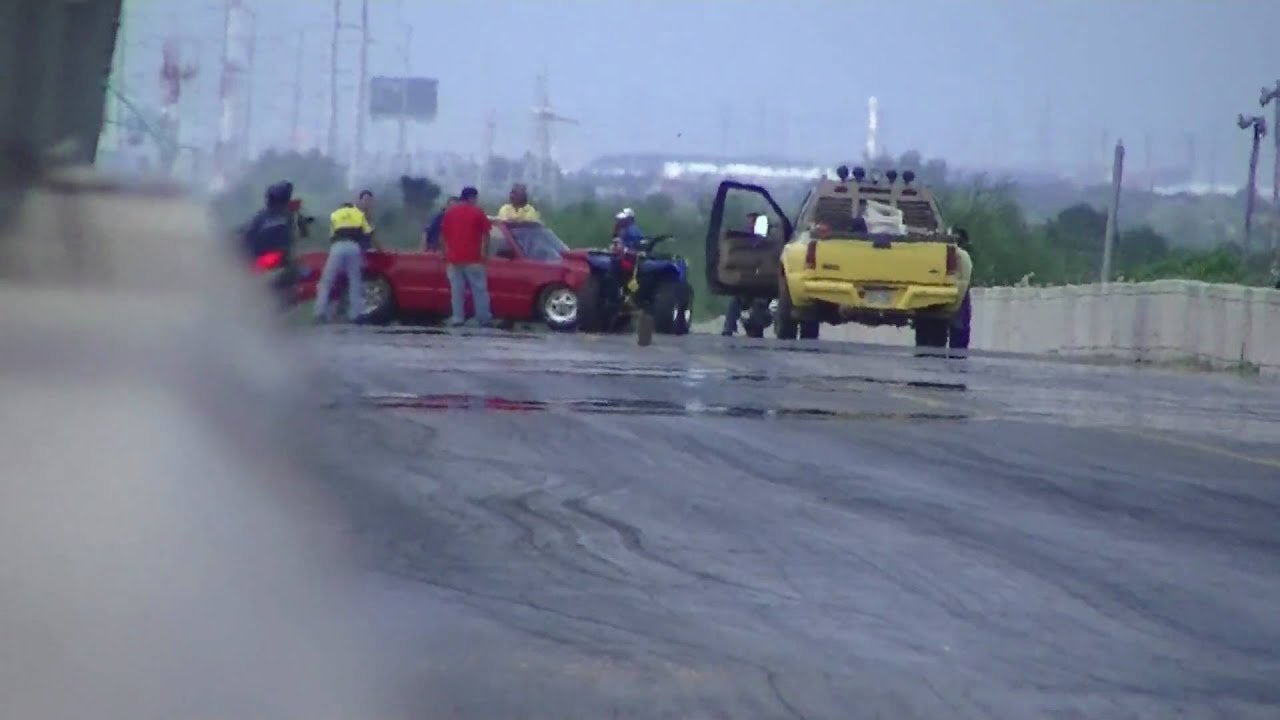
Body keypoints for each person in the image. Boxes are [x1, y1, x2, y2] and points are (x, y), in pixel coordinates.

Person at [312, 197, 374, 323]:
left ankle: (319, 313)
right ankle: (355, 315)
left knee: (326, 281)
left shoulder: (335, 214)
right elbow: (368, 233)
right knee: (355, 281)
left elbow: (332, 236)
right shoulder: (359, 214)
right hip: (354, 247)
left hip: (338, 247)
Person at [439, 186, 493, 327]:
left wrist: (444, 253)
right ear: (471, 197)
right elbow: (486, 235)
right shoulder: (478, 212)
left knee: (456, 291)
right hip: (473, 258)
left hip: (453, 258)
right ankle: (482, 318)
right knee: (479, 290)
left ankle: (458, 318)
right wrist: (485, 254)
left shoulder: (449, 212)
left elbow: (443, 235)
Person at [721, 212, 763, 336]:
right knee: (736, 300)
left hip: (761, 280)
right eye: (750, 221)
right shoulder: (744, 239)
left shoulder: (765, 240)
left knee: (759, 302)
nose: (751, 224)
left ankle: (754, 327)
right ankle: (729, 327)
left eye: (753, 221)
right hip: (746, 279)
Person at [240, 181, 294, 261]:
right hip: (276, 256)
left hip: (265, 257)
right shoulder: (288, 215)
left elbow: (247, 237)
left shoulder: (260, 217)